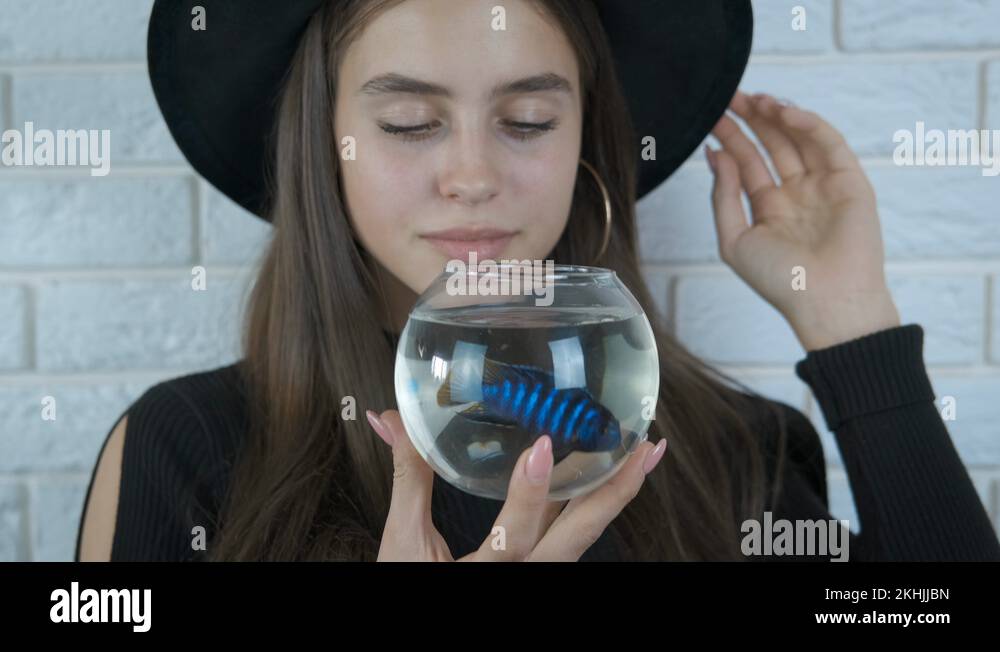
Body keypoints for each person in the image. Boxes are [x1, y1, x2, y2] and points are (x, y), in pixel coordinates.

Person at [75, 0, 1000, 562]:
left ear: (584, 147)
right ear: (325, 150)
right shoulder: (188, 451)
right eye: (406, 122)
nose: (473, 174)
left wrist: (853, 324)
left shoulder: (737, 457)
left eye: (526, 119)